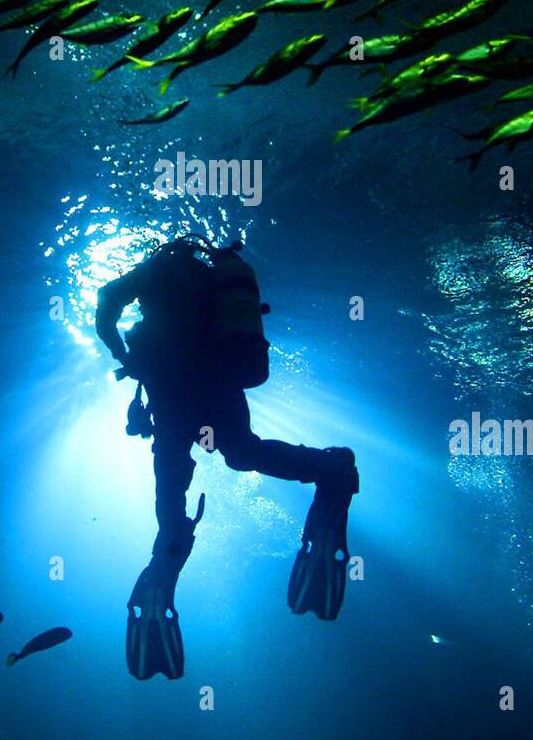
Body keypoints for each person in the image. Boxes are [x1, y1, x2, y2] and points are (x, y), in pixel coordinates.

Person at [95, 234, 359, 680]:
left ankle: (170, 549)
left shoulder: (151, 273)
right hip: (217, 386)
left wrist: (125, 355)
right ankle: (327, 467)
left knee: (171, 484)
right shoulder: (211, 279)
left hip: (172, 393)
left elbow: (106, 306)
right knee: (241, 453)